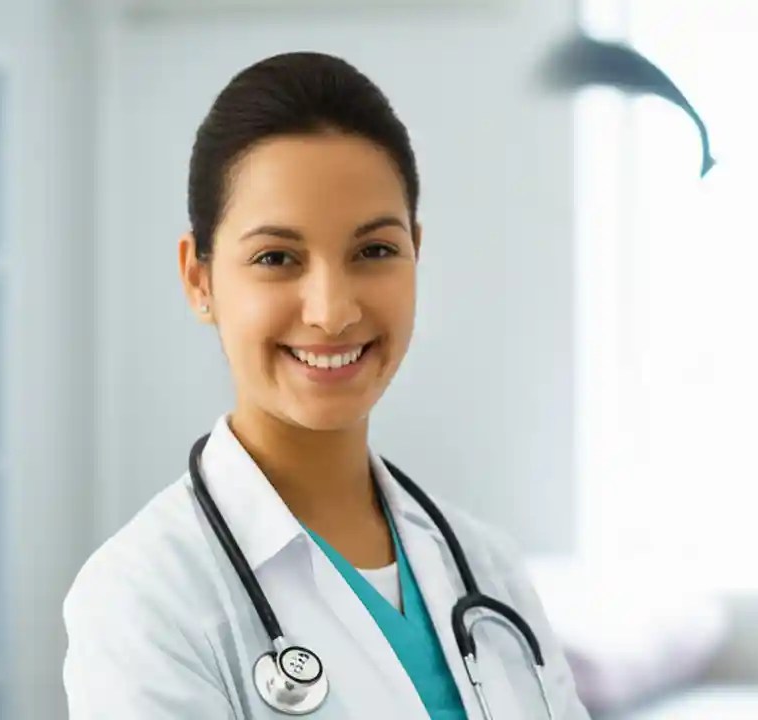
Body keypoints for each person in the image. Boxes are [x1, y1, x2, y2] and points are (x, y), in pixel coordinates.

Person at [62, 51, 588, 719]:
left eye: (374, 251)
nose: (332, 310)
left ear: (415, 254)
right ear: (199, 278)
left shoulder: (490, 569)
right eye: (277, 258)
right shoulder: (144, 598)